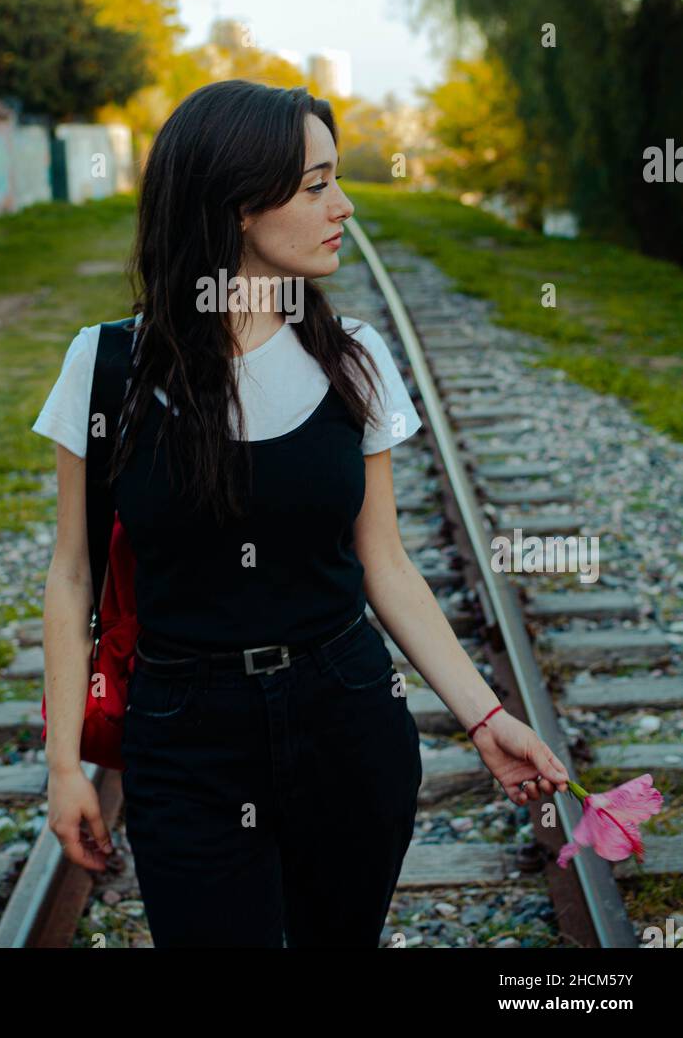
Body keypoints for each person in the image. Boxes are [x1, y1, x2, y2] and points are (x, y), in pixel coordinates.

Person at [32, 80, 569, 948]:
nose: (344, 205)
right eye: (317, 185)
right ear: (239, 204)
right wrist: (66, 768)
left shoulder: (354, 358)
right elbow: (72, 573)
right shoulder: (105, 366)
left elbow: (385, 564)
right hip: (184, 737)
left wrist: (486, 716)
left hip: (346, 718)